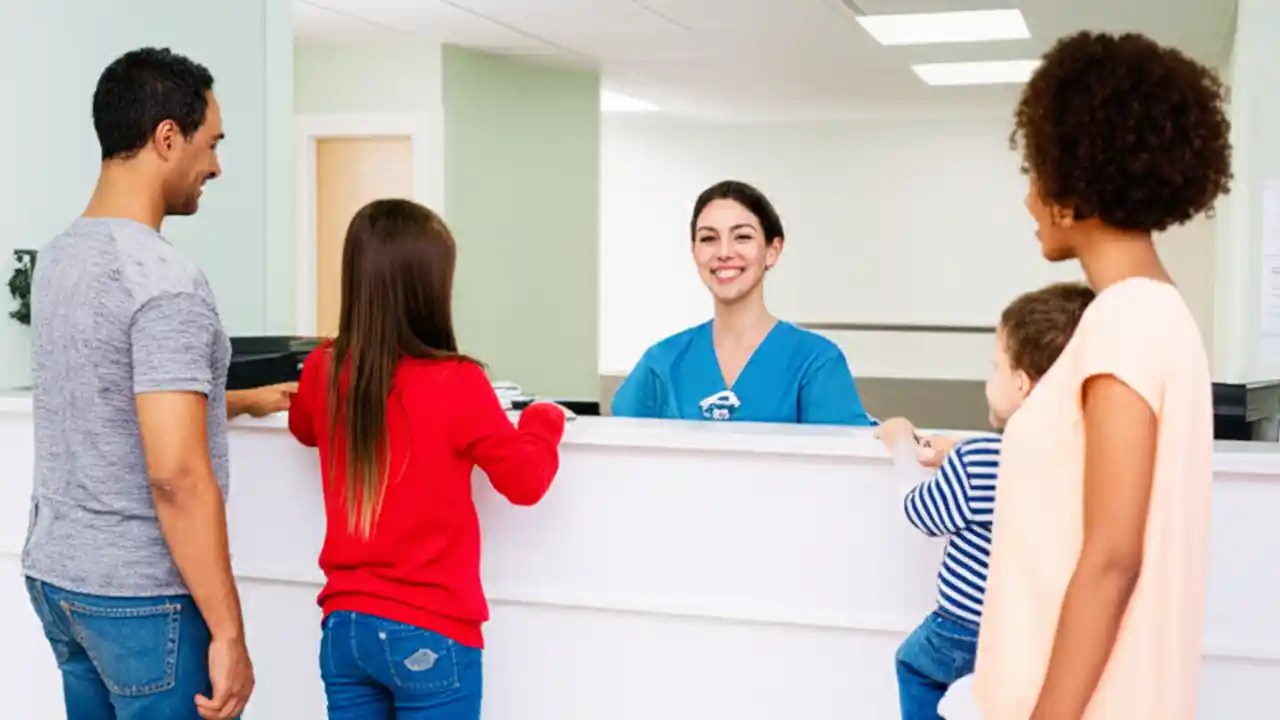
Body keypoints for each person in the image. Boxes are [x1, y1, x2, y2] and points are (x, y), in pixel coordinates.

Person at [23, 47, 292, 720]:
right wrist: (229, 631)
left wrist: (235, 402)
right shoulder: (165, 282)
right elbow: (174, 473)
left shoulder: (58, 261)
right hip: (142, 600)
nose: (216, 167)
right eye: (212, 143)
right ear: (166, 136)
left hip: (60, 581)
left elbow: (108, 398)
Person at [973, 31, 1231, 719]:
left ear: (1073, 183)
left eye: (1035, 172)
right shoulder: (1152, 315)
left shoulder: (1127, 321)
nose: (1029, 199)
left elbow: (1113, 558)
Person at [287, 199, 566, 719]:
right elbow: (526, 481)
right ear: (428, 290)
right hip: (428, 629)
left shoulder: (325, 368)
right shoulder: (457, 381)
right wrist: (543, 419)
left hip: (345, 629)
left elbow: (303, 427)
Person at [876, 282, 1095, 720]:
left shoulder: (979, 461)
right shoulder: (1091, 464)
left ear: (1020, 384)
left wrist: (900, 440)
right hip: (1044, 638)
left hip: (965, 632)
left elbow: (918, 514)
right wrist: (958, 448)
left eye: (997, 365)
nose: (989, 376)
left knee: (913, 663)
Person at [611, 180, 873, 424]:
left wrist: (894, 432)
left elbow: (851, 457)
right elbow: (613, 451)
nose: (724, 252)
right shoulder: (663, 362)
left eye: (742, 237)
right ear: (694, 252)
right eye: (708, 238)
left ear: (772, 250)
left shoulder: (815, 363)